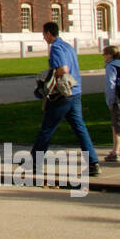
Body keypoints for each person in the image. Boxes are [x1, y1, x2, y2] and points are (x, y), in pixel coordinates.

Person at [30, 22, 101, 178]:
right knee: (80, 129)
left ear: (49, 33)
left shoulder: (56, 48)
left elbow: (63, 69)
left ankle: (35, 161)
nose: (44, 37)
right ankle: (93, 162)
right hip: (76, 92)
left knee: (47, 128)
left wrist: (49, 76)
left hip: (62, 95)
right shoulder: (68, 46)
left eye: (44, 34)